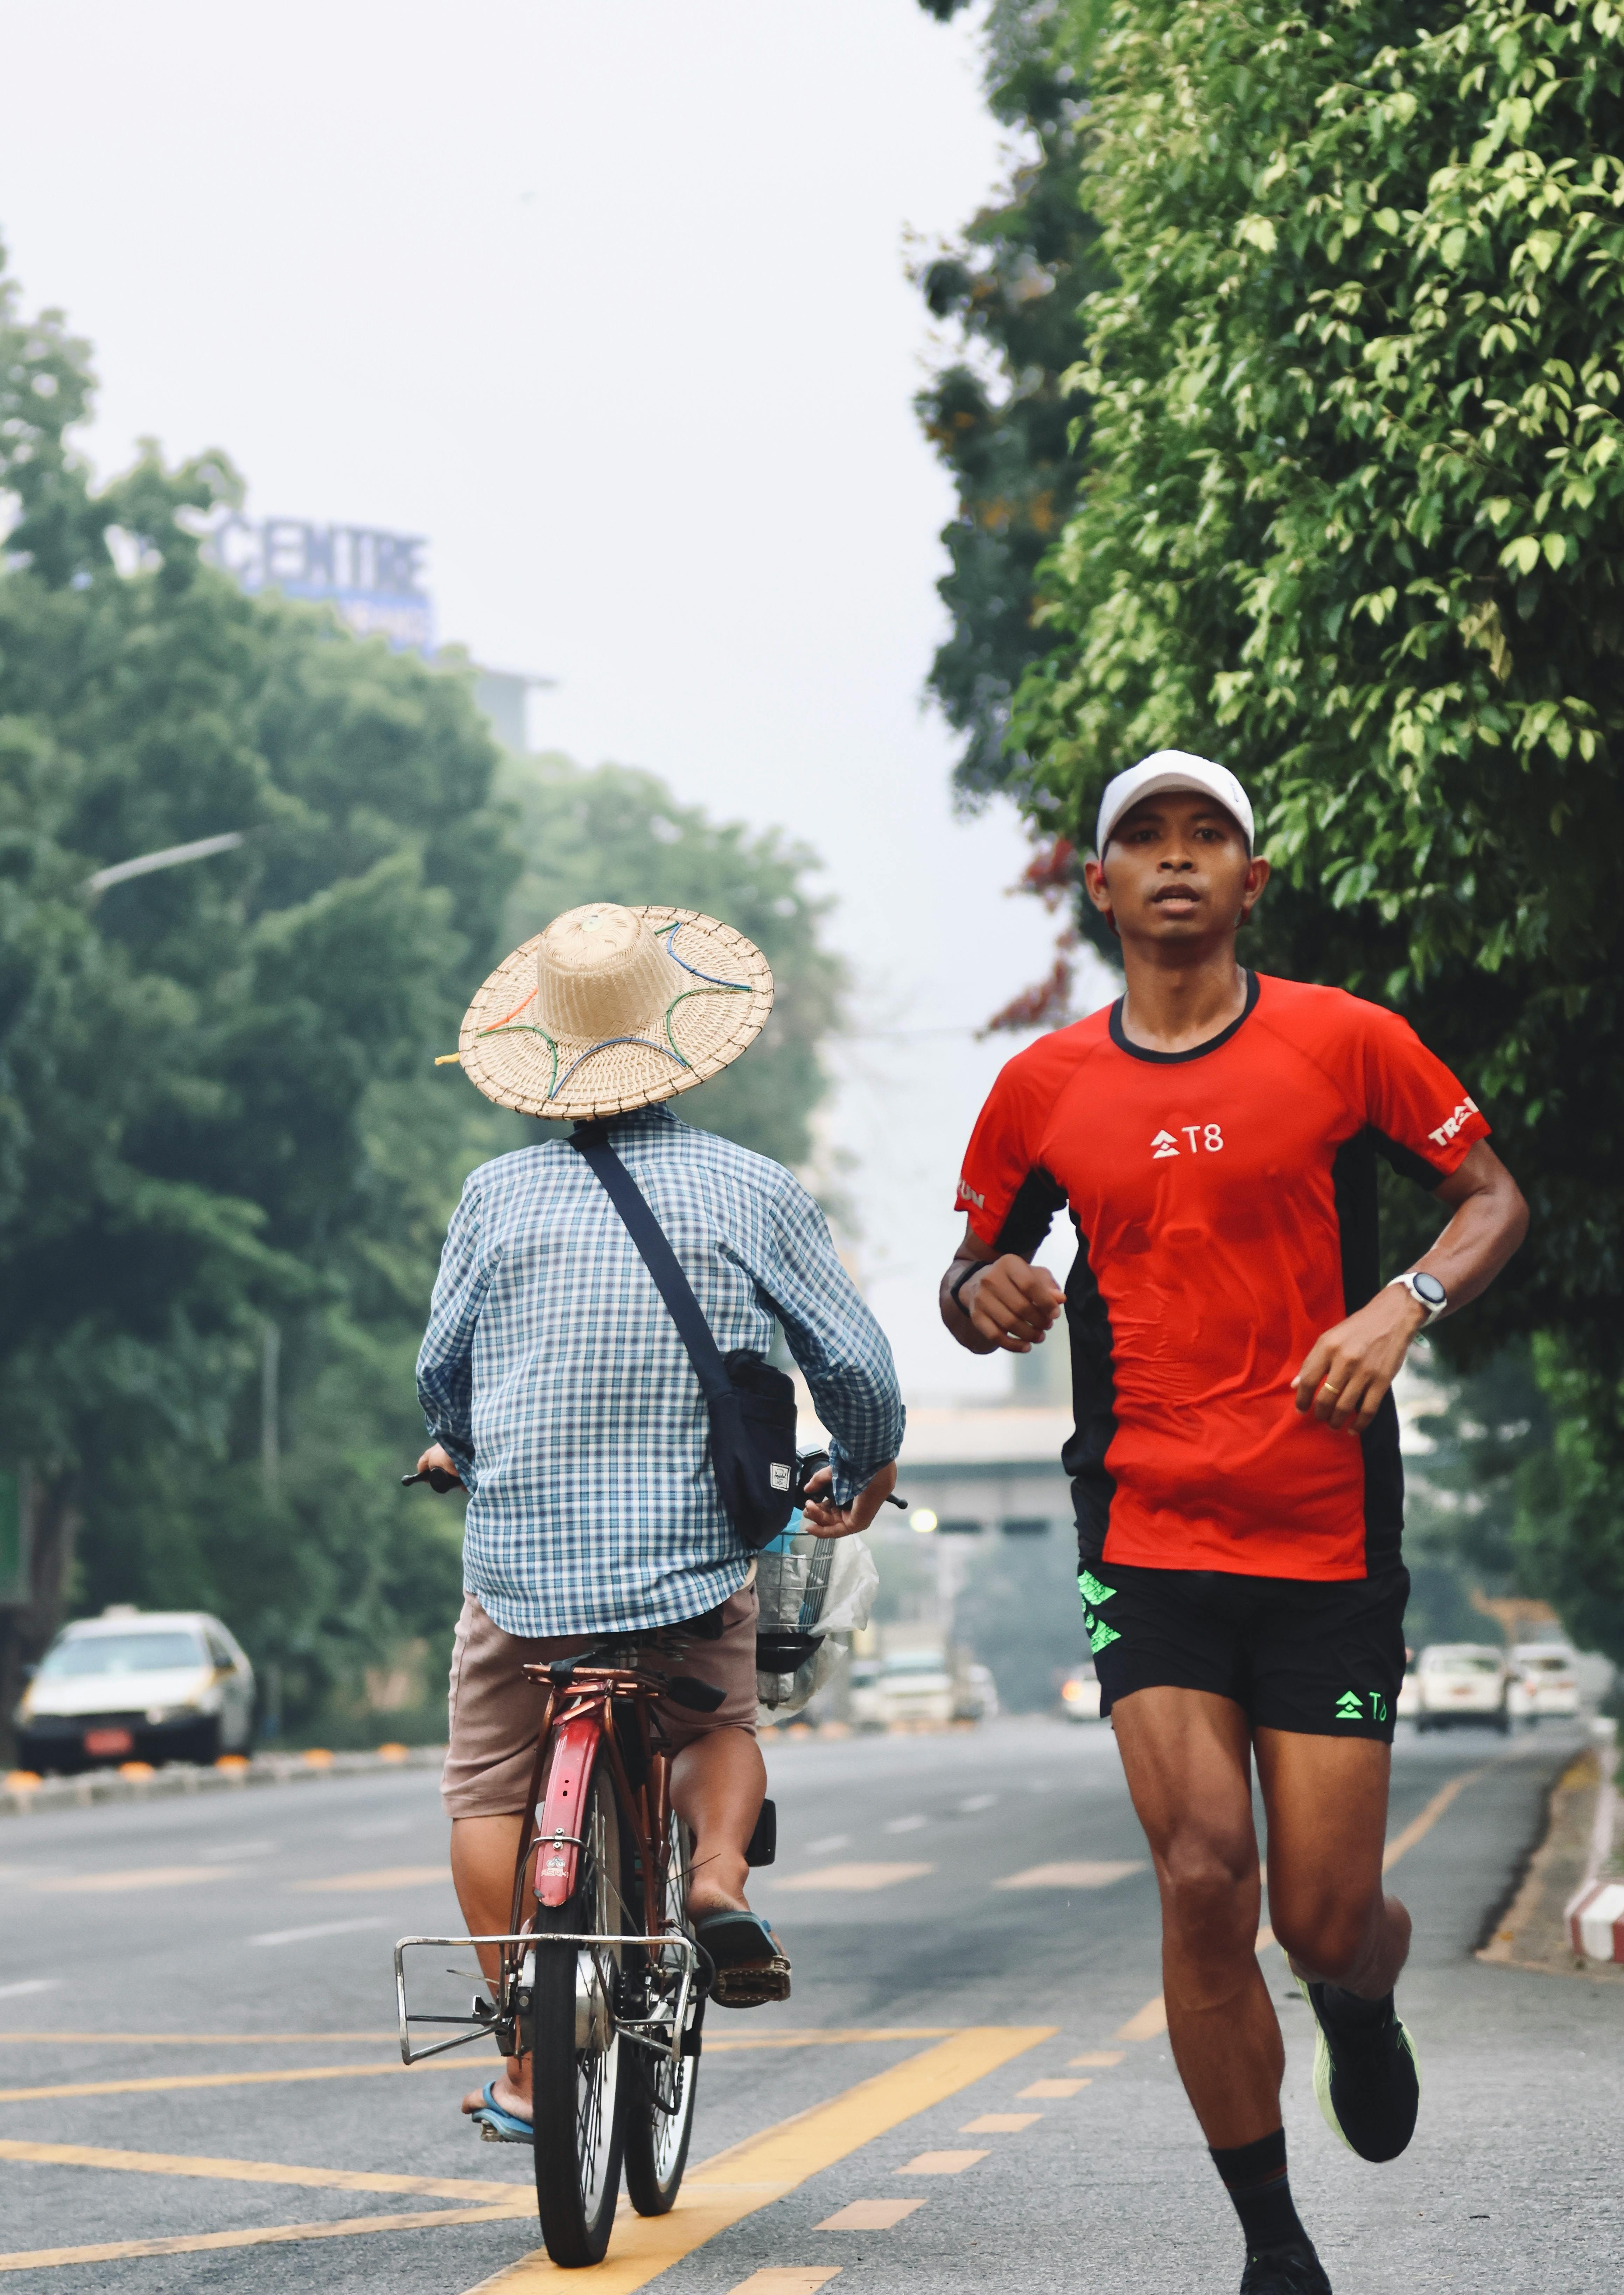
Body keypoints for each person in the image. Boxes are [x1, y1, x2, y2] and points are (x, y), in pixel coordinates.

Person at [939, 753, 1526, 2295]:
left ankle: (1356, 1995)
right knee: (1203, 1871)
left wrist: (1398, 1306)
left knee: (1325, 1917)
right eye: (1146, 838)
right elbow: (968, 1274)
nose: (1179, 860)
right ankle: (1272, 2245)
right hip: (1143, 1525)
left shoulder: (1347, 1043)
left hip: (1326, 1530)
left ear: (1250, 883)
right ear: (1104, 887)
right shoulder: (1043, 1087)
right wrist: (980, 1292)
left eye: (1210, 837)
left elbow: (1489, 1200)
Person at [417, 899, 902, 2143]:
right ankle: (721, 1879)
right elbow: (856, 1368)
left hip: (523, 1574)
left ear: (544, 1054)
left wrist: (461, 1448)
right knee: (716, 1717)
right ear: (677, 1036)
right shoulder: (751, 1186)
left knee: (487, 1787)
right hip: (690, 1565)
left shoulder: (492, 1195)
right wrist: (864, 1462)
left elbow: (442, 1373)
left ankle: (527, 2057)